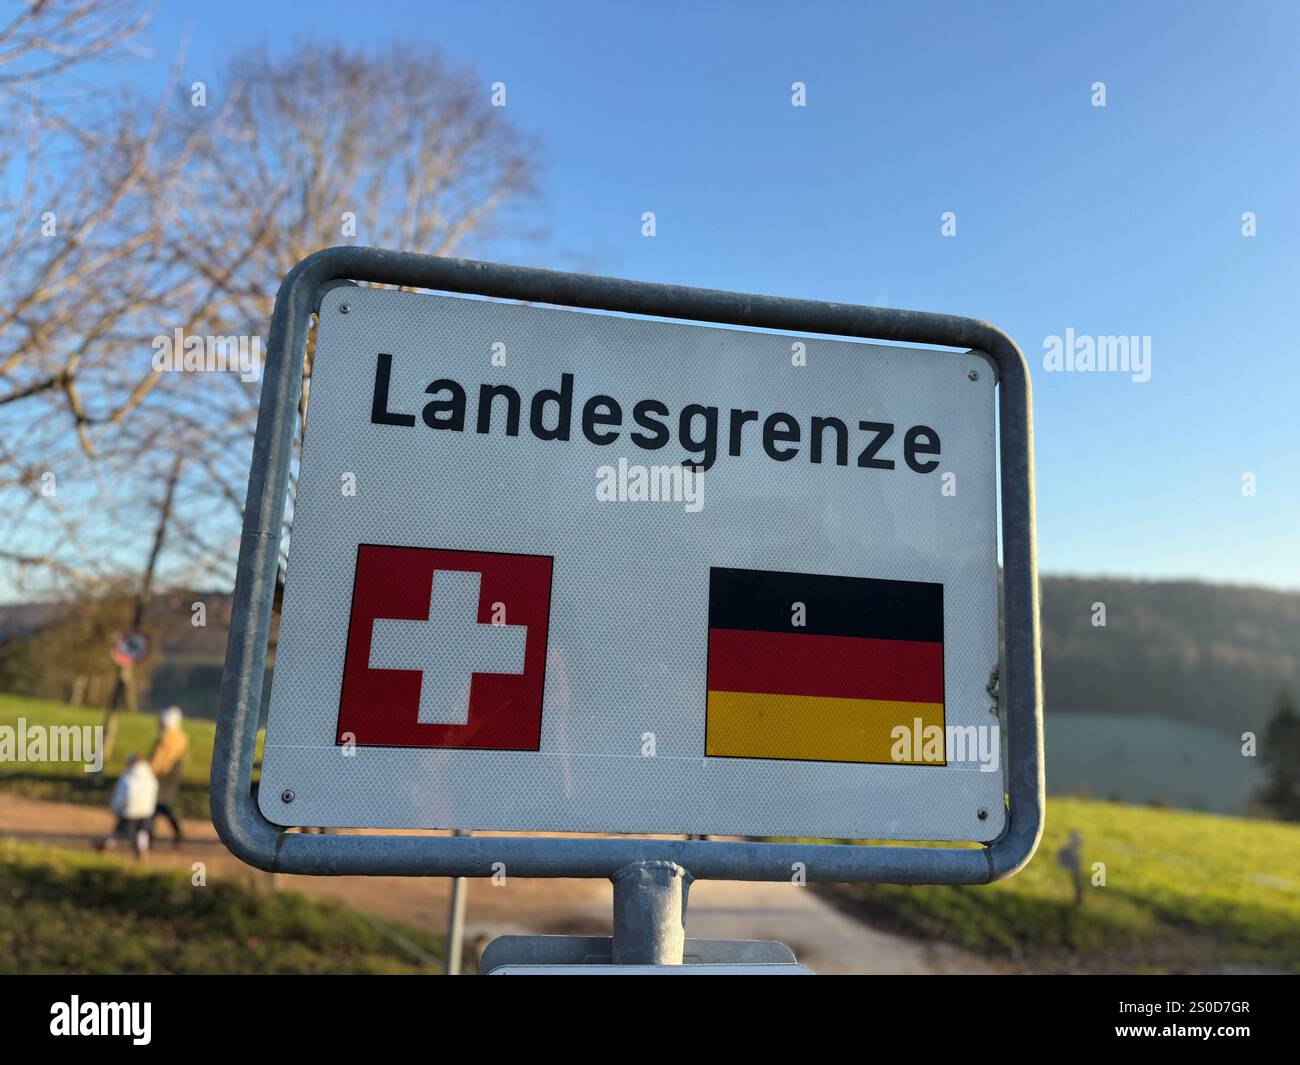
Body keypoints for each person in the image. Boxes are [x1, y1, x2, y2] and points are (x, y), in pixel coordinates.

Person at [98, 754, 158, 857]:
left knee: (119, 830)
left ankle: (108, 846)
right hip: (146, 811)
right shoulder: (151, 777)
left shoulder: (127, 777)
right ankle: (143, 850)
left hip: (130, 810)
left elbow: (120, 795)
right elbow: (153, 794)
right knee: (142, 832)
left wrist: (115, 808)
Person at [149, 706, 189, 846]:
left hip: (160, 776)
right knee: (162, 805)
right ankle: (175, 832)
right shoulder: (182, 738)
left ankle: (149, 837)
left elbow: (157, 759)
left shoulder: (164, 738)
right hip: (173, 775)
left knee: (155, 806)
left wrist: (148, 771)